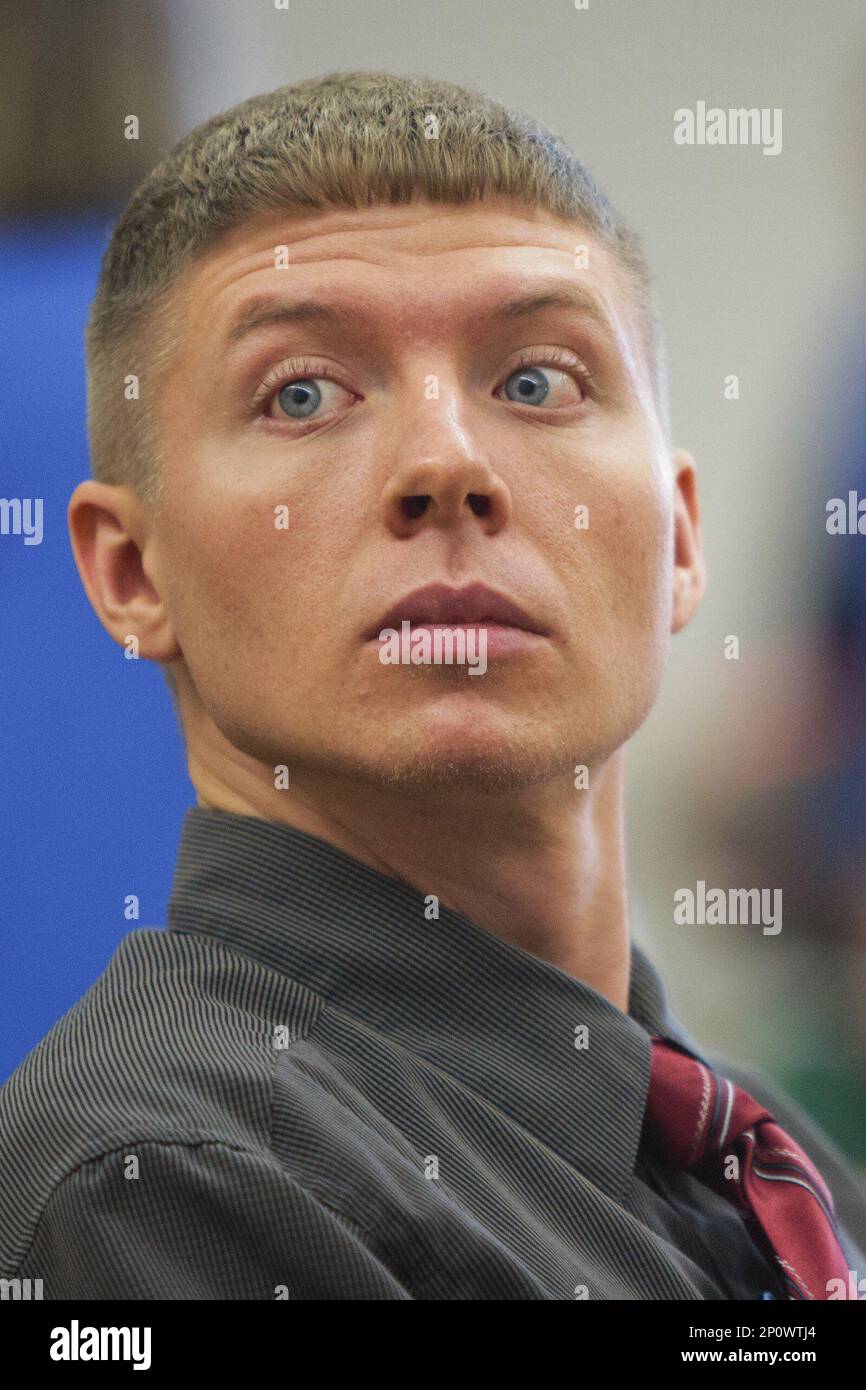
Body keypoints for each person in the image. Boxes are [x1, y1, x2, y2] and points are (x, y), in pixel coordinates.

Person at [1, 70, 864, 1301]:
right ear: (134, 573)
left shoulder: (784, 1166)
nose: (445, 463)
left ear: (677, 540)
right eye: (301, 393)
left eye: (533, 382)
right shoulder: (160, 1186)